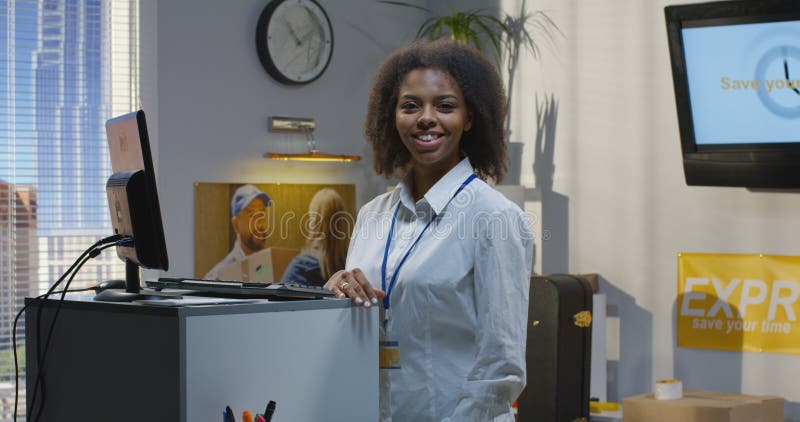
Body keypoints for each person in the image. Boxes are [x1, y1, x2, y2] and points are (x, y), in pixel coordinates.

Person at [324, 39, 534, 421]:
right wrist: (337, 292)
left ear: (469, 118)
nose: (426, 117)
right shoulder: (373, 215)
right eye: (410, 105)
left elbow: (501, 366)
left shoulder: (496, 218)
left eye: (445, 105)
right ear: (393, 116)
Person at [280, 188, 350, 286]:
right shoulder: (353, 267)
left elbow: (283, 299)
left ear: (313, 222)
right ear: (343, 223)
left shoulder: (301, 267)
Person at [204, 184, 272, 280]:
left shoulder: (276, 268)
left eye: (262, 212)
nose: (258, 222)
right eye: (251, 213)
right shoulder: (219, 277)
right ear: (236, 224)